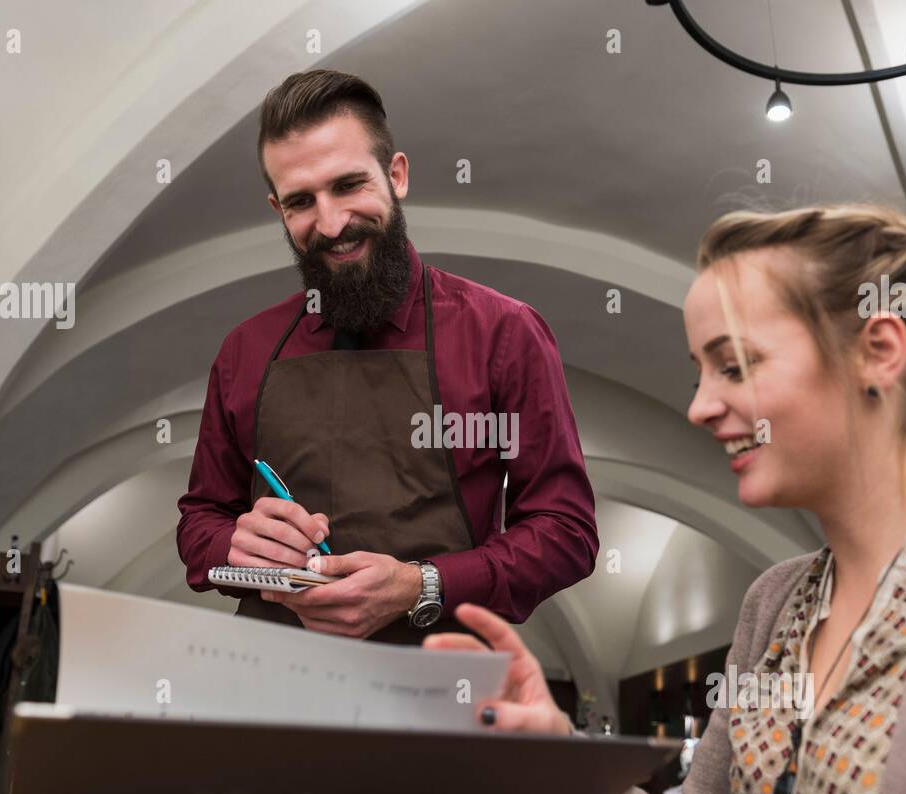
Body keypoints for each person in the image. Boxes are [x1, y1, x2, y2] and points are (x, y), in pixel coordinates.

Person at [424, 203, 906, 794]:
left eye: (736, 365)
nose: (699, 407)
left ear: (878, 351)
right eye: (700, 372)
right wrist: (560, 753)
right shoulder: (775, 603)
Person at [176, 70, 598, 644]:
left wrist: (423, 583)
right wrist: (232, 545)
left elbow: (566, 531)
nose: (330, 223)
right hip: (273, 681)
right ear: (278, 209)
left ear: (396, 175)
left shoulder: (503, 332)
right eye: (301, 201)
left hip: (440, 686)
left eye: (349, 185)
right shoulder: (244, 350)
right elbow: (200, 519)